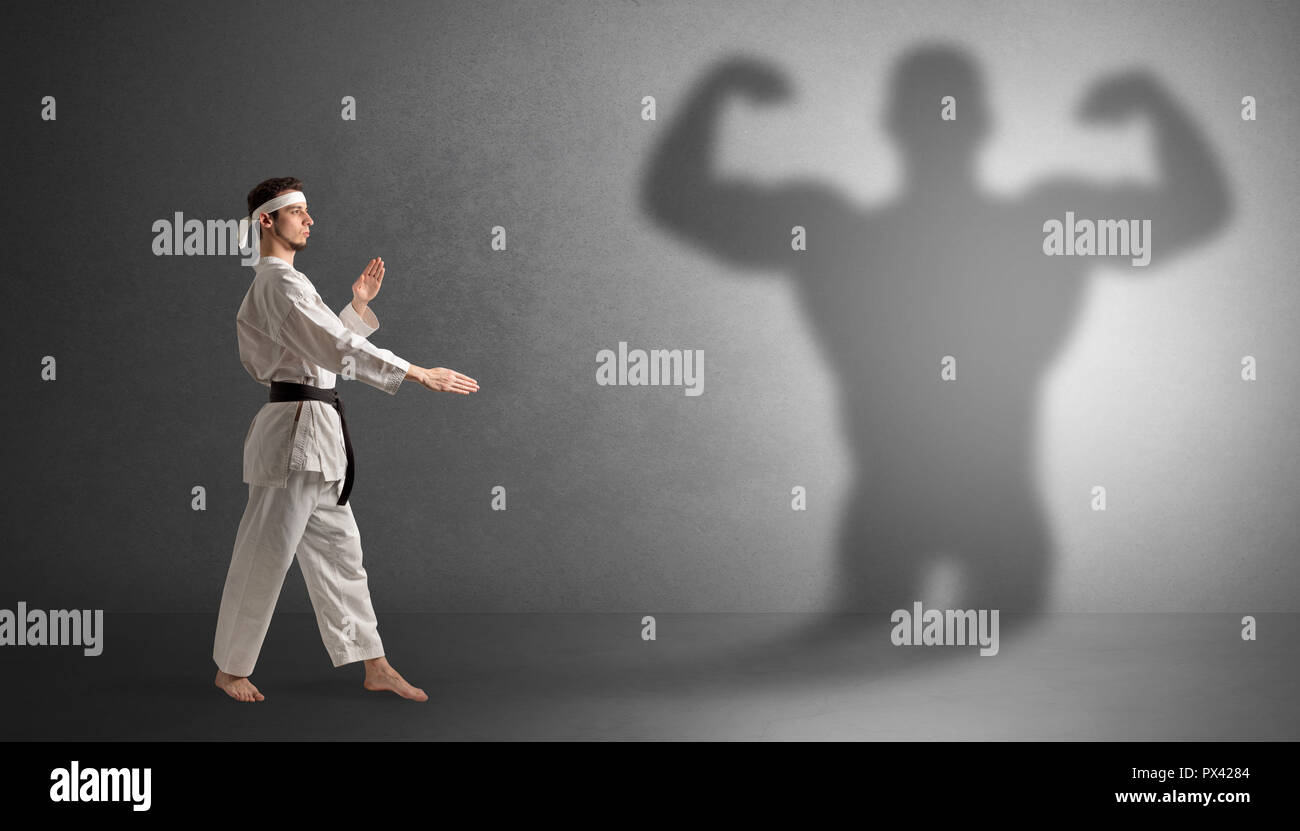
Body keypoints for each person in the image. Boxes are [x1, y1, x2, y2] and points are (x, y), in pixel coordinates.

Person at [213, 177, 479, 702]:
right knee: (265, 553)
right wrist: (416, 371)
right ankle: (230, 668)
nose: (309, 220)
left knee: (342, 555)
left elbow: (319, 353)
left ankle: (373, 663)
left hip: (317, 435)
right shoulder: (278, 284)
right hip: (292, 437)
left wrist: (357, 308)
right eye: (297, 211)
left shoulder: (289, 283)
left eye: (308, 211)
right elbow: (331, 348)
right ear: (266, 220)